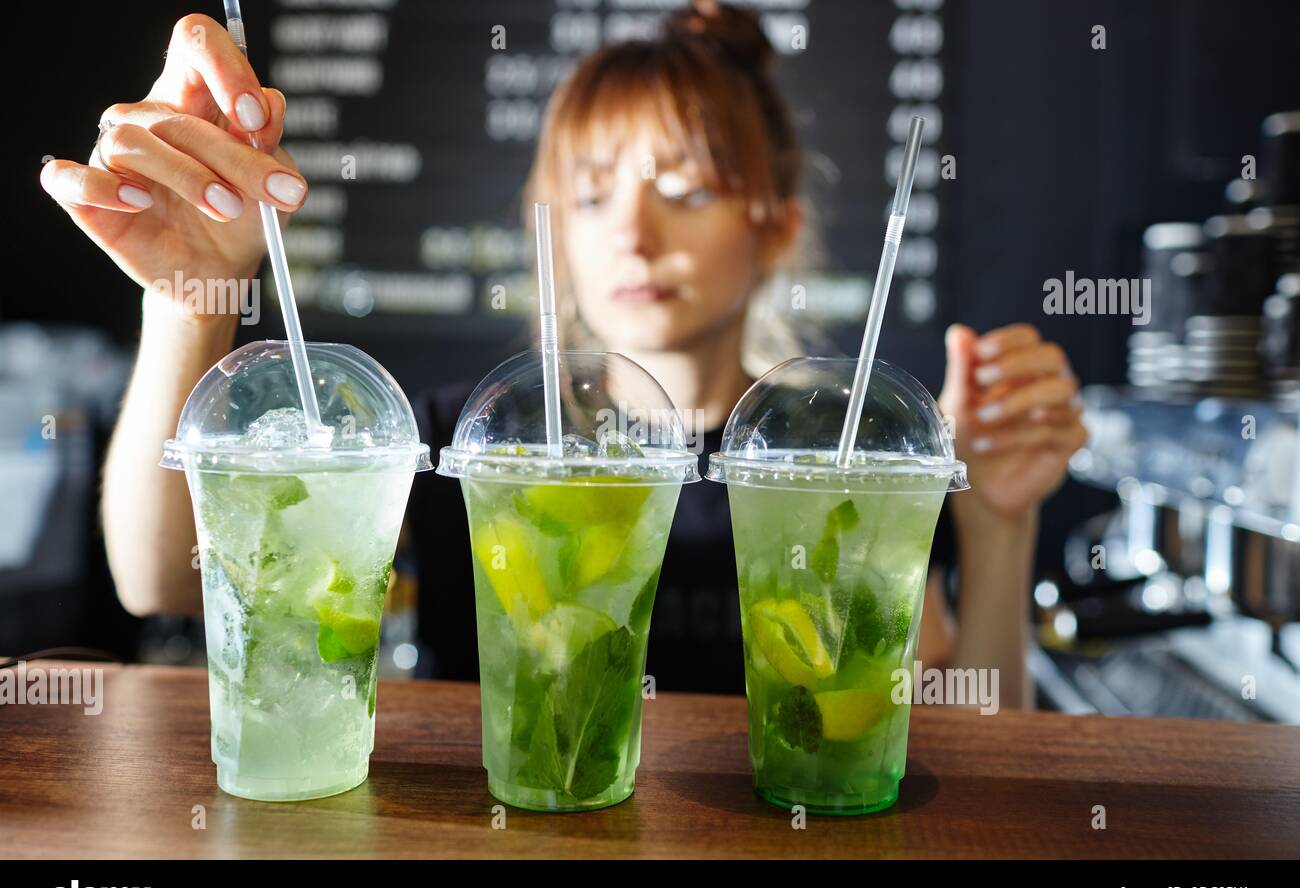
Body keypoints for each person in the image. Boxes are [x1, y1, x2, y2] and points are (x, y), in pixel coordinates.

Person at [41, 3, 1086, 707]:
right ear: (554, 228)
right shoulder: (469, 432)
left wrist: (997, 524)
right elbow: (162, 578)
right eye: (590, 194)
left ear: (772, 224)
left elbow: (962, 727)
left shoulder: (832, 461)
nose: (631, 233)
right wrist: (194, 301)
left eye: (683, 188)